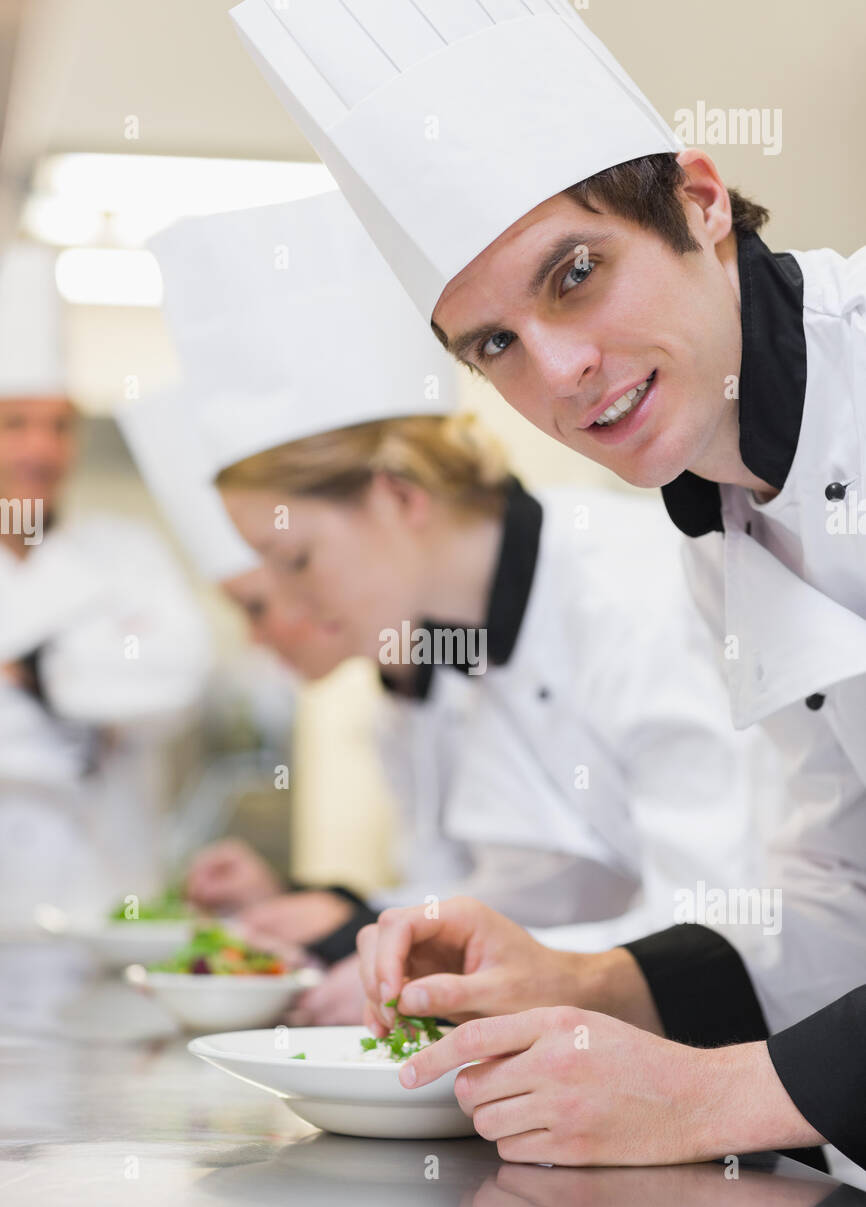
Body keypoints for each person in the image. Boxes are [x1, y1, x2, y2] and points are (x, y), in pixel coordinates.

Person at [232, 0, 866, 1175]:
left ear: (699, 199)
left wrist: (714, 1098)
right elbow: (837, 897)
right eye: (492, 345)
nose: (560, 371)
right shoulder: (720, 521)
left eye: (575, 275)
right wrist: (581, 978)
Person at [139, 191, 765, 1026]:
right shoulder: (448, 651)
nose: (291, 607)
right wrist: (360, 929)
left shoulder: (636, 589)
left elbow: (733, 932)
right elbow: (526, 898)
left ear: (399, 496)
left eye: (296, 562)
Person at [0, 245, 210, 926]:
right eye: (16, 424)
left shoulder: (128, 554)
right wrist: (90, 701)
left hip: (106, 904)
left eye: (59, 426)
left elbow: (181, 679)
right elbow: (128, 687)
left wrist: (31, 672)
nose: (42, 450)